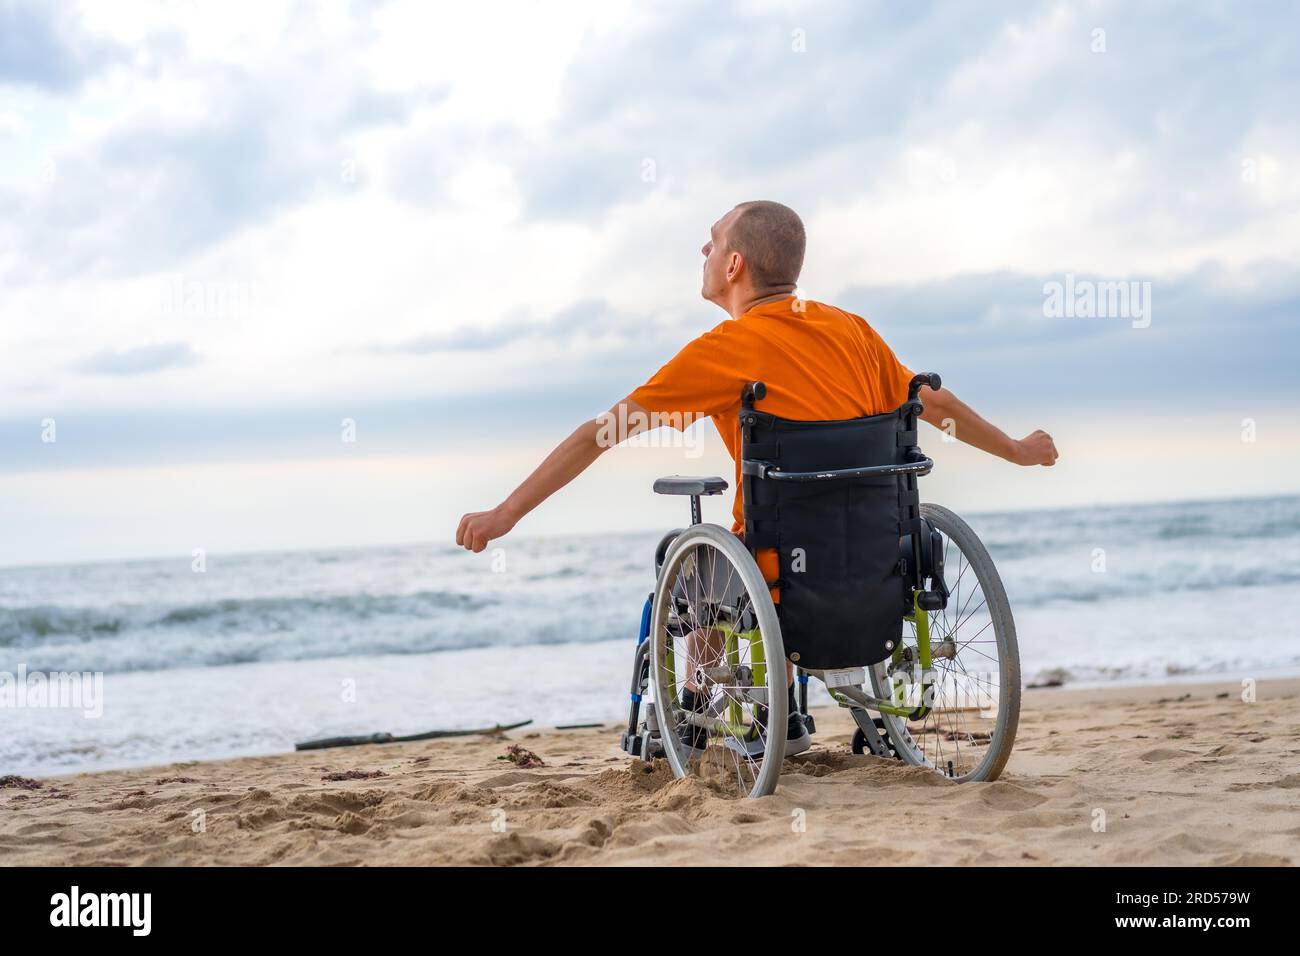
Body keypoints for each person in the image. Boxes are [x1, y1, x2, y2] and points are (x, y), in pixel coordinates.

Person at [456, 200, 1059, 754]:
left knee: (695, 564)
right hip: (877, 559)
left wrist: (505, 513)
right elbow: (936, 405)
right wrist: (1015, 450)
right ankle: (790, 713)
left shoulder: (727, 350)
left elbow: (601, 433)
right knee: (783, 534)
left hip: (776, 575)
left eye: (712, 241)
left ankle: (698, 711)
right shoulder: (856, 332)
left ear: (735, 263)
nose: (704, 251)